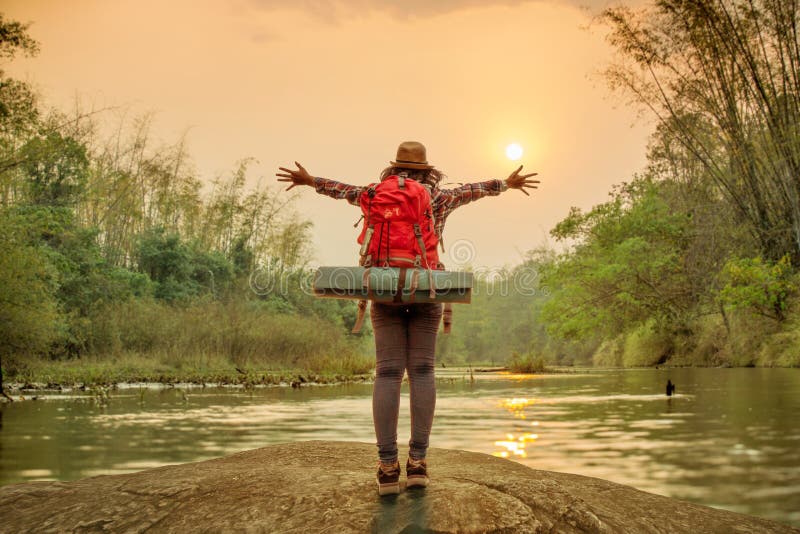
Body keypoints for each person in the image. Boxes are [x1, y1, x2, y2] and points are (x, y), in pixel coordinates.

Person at [276, 141, 539, 495]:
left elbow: (342, 190)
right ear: (426, 170)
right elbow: (472, 190)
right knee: (422, 371)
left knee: (387, 372)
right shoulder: (439, 198)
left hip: (384, 290)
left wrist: (310, 180)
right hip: (427, 286)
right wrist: (505, 183)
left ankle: (387, 467)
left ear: (393, 168)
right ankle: (417, 463)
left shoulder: (373, 194)